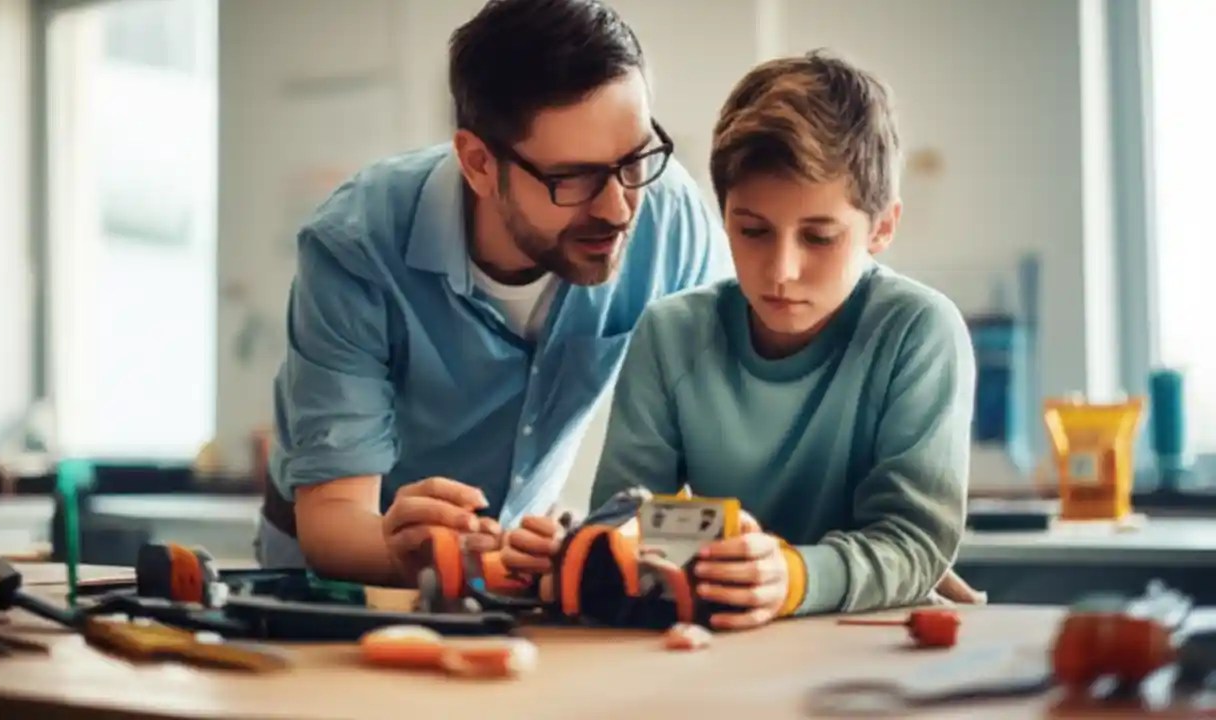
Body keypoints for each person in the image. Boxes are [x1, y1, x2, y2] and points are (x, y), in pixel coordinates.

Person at [257, 0, 732, 584]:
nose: (617, 208)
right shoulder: (356, 245)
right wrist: (409, 554)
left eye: (634, 159)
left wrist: (647, 565)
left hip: (517, 566)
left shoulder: (669, 217)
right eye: (573, 178)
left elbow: (712, 465)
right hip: (351, 561)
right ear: (479, 164)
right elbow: (334, 518)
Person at [502, 51, 981, 628]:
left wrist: (792, 575)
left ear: (881, 227)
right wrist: (576, 550)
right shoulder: (671, 332)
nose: (781, 271)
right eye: (752, 230)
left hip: (866, 643)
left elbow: (914, 542)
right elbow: (625, 518)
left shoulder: (919, 331)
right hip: (717, 639)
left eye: (819, 237)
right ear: (724, 214)